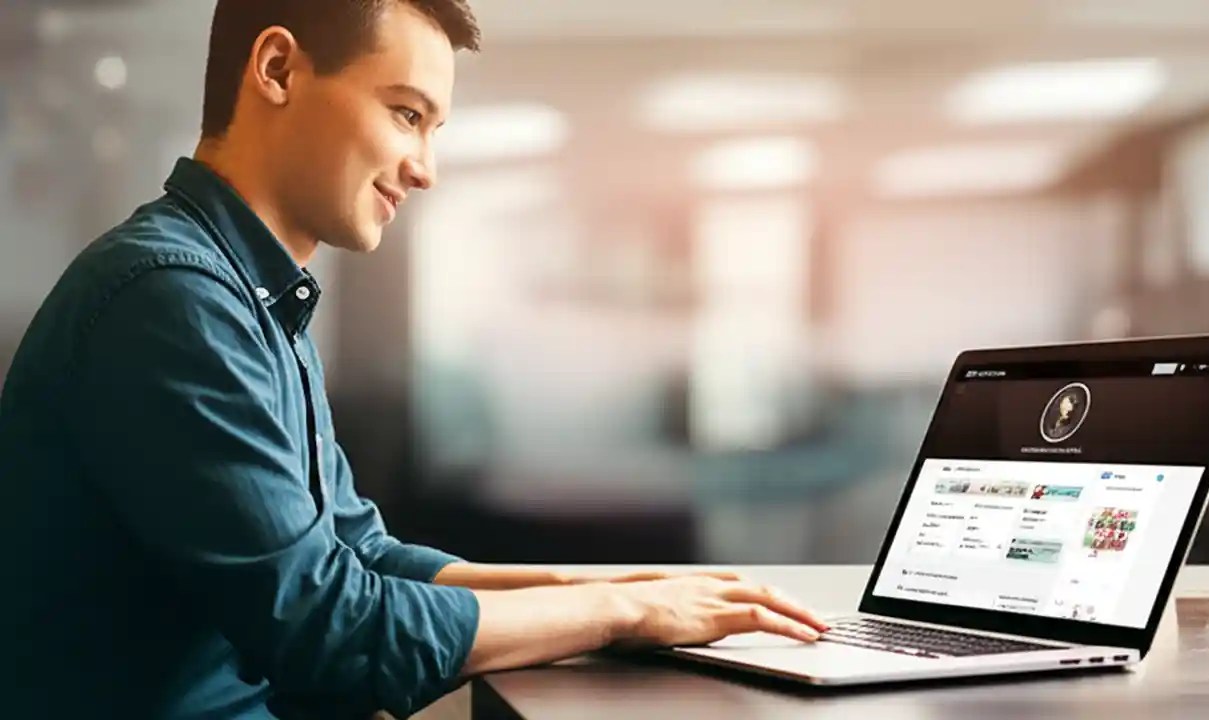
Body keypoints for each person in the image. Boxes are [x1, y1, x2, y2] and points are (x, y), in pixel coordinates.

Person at [0, 1, 827, 717]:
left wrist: (597, 592)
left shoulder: (249, 297)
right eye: (406, 114)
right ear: (279, 68)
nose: (425, 170)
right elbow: (333, 630)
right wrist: (620, 614)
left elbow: (361, 554)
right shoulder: (172, 299)